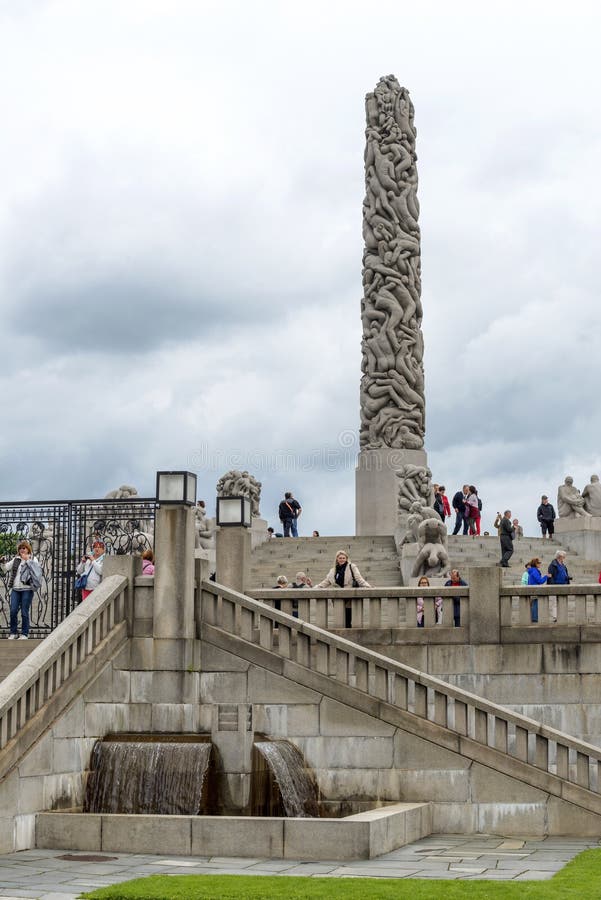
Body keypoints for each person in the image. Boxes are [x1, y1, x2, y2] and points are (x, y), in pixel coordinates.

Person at [316, 550, 370, 628]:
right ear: (337, 559)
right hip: (337, 598)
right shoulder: (333, 570)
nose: (342, 559)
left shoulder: (352, 567)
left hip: (349, 598)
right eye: (340, 558)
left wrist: (368, 586)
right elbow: (326, 582)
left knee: (348, 619)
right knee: (339, 620)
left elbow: (359, 578)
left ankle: (348, 633)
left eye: (343, 558)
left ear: (346, 559)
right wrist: (316, 587)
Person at [1, 540, 41, 639]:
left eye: (24, 548)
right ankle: (13, 632)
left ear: (28, 549)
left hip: (27, 589)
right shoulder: (16, 559)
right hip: (16, 589)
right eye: (20, 548)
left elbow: (37, 571)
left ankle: (24, 634)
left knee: (24, 612)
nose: (22, 550)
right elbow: (6, 568)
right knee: (13, 611)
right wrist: (2, 562)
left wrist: (27, 560)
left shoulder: (33, 559)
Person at [526, 557, 549, 623]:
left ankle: (534, 618)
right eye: (538, 563)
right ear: (535, 564)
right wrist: (546, 576)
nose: (540, 564)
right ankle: (534, 619)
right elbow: (540, 581)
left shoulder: (532, 570)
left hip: (532, 590)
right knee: (535, 605)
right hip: (534, 590)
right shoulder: (534, 571)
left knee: (534, 604)